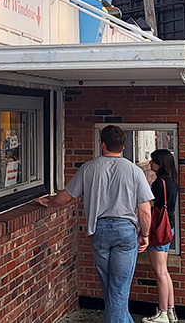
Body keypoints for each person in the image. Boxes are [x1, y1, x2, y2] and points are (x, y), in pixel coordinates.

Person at [33, 126, 153, 323]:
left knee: (109, 286)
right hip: (125, 232)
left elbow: (67, 196)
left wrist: (49, 202)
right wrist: (145, 234)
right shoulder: (134, 171)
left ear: (103, 144)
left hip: (99, 231)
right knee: (119, 287)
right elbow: (145, 210)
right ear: (123, 146)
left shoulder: (88, 168)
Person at [143, 149, 179, 323]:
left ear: (160, 163)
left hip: (158, 229)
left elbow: (151, 207)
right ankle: (170, 311)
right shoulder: (172, 181)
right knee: (164, 271)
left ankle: (163, 312)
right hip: (168, 228)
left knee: (160, 273)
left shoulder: (159, 183)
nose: (150, 163)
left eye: (153, 161)